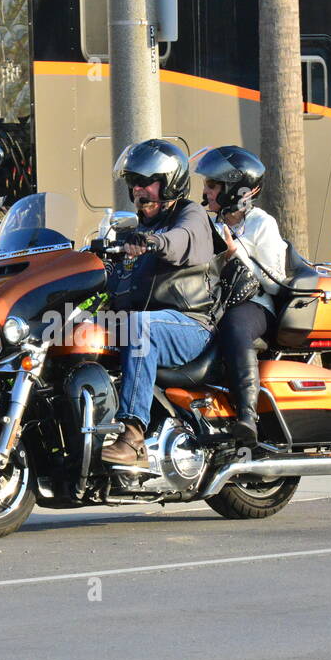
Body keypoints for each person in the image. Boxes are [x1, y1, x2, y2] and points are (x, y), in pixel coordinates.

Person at [101, 139, 218, 466]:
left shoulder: (191, 216)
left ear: (170, 182)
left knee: (139, 327)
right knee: (71, 329)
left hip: (191, 327)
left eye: (146, 182)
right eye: (133, 183)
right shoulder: (138, 228)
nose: (138, 190)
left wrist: (155, 242)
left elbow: (180, 242)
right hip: (147, 325)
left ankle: (134, 438)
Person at [194, 145, 287, 445]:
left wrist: (236, 254)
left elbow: (274, 282)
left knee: (234, 328)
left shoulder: (263, 223)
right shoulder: (210, 223)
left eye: (212, 185)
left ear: (236, 190)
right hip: (214, 302)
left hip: (255, 304)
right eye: (206, 184)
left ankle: (248, 417)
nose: (206, 191)